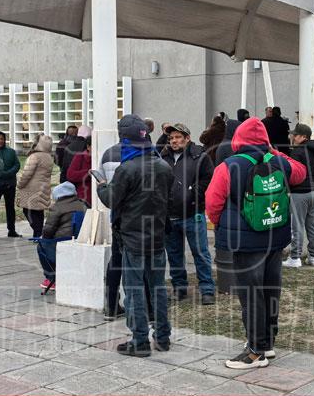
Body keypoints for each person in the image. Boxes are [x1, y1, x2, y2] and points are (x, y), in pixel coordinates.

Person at [206, 118, 306, 369]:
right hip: (275, 238)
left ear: (239, 138)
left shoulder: (229, 165)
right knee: (271, 289)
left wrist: (222, 224)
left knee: (251, 294)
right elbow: (300, 172)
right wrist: (274, 151)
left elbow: (212, 203)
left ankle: (255, 352)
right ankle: (267, 343)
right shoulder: (279, 162)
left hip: (246, 241)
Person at [96, 115, 174, 357]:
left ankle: (139, 340)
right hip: (157, 234)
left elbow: (111, 200)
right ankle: (163, 337)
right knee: (158, 286)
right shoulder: (163, 166)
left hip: (132, 236)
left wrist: (100, 185)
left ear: (124, 139)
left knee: (134, 288)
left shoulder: (126, 169)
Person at [161, 123, 216, 304]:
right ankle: (179, 288)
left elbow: (208, 178)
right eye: (171, 138)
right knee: (174, 254)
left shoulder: (200, 156)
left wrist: (193, 194)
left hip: (193, 214)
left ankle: (207, 289)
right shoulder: (164, 157)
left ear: (187, 138)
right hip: (170, 216)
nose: (174, 141)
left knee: (200, 253)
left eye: (177, 137)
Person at [37, 181, 89, 293]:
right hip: (81, 241)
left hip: (62, 242)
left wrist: (43, 238)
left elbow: (48, 230)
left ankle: (51, 277)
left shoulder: (57, 207)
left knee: (41, 246)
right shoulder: (83, 204)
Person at [284, 124, 314, 268]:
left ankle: (295, 257)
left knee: (297, 225)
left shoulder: (297, 152)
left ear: (304, 137)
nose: (293, 137)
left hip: (300, 193)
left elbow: (293, 174)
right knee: (312, 225)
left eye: (296, 135)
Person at [17, 134, 55, 238]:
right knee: (39, 211)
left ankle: (38, 232)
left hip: (31, 189)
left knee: (28, 210)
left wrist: (20, 184)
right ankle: (37, 233)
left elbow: (27, 174)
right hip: (44, 187)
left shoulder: (34, 156)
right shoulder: (48, 157)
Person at [0, 131, 22, 238]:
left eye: (2, 139)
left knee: (10, 208)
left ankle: (11, 230)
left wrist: (8, 173)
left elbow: (17, 164)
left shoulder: (11, 151)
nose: (0, 141)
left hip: (10, 183)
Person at [66, 137, 92, 205]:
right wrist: (87, 173)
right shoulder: (80, 157)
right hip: (84, 197)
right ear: (88, 147)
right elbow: (70, 175)